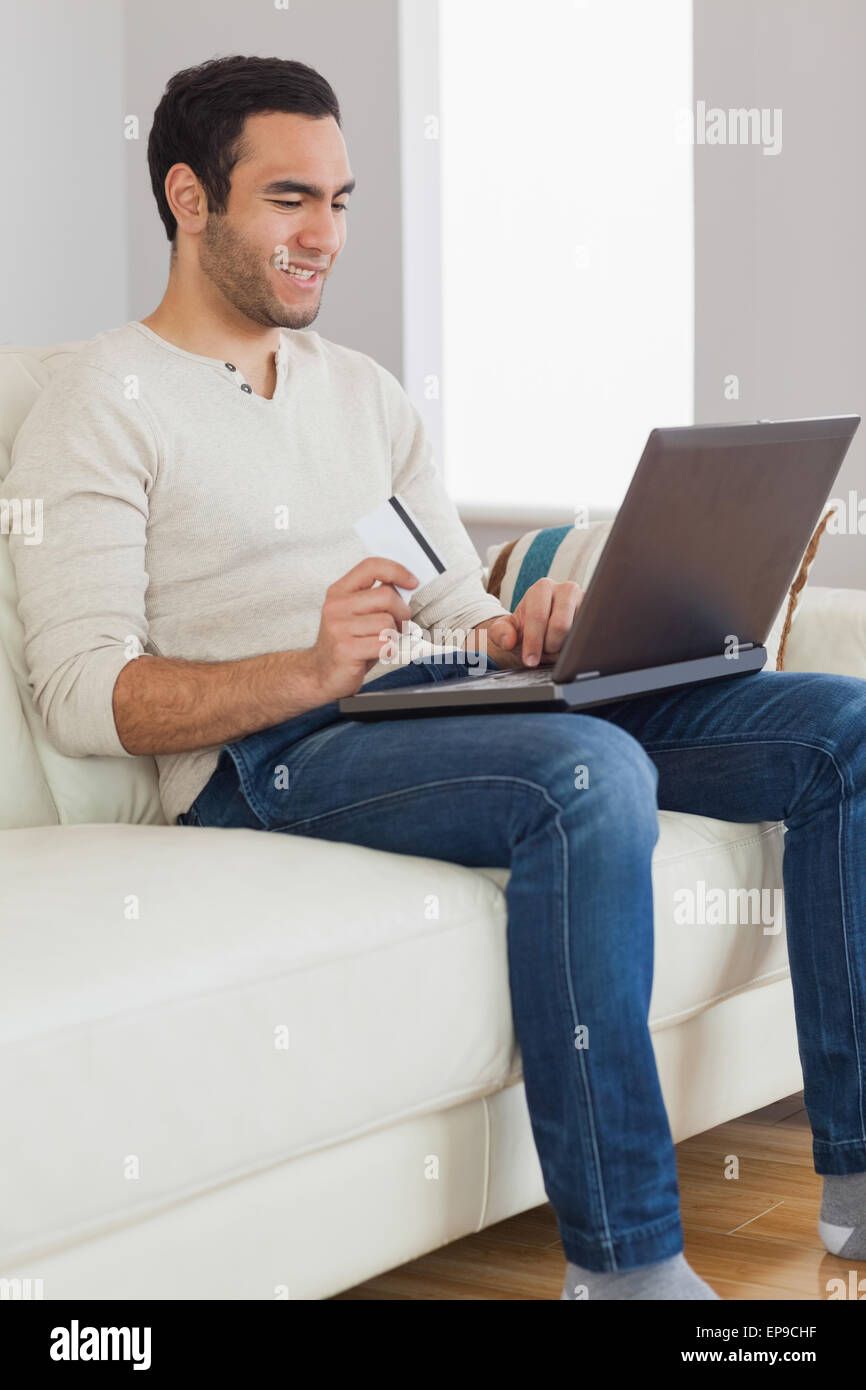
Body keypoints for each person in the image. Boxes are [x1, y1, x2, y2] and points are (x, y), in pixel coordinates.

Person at [4, 55, 865, 1302]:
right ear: (189, 198)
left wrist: (527, 628)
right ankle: (623, 1265)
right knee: (586, 772)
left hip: (434, 698)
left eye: (342, 202)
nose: (324, 236)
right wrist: (305, 664)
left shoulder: (361, 393)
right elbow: (80, 693)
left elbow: (451, 600)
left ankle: (850, 1181)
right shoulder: (102, 400)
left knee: (838, 726)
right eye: (290, 198)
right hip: (272, 751)